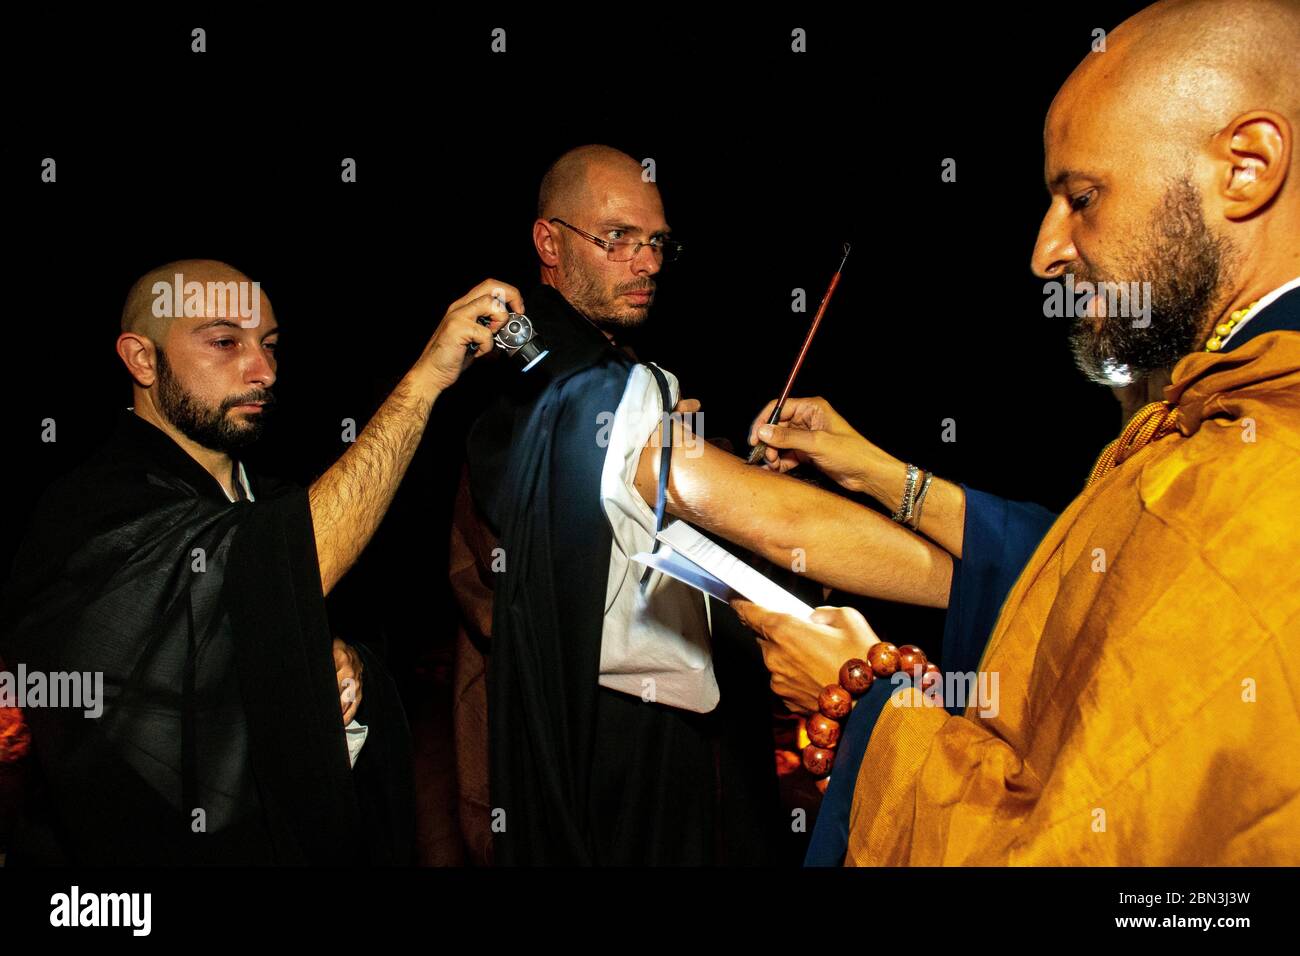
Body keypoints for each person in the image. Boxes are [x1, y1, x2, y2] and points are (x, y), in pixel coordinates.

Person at [728, 0, 1300, 864]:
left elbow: (1084, 853)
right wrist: (874, 471)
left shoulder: (1257, 471)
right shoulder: (1209, 413)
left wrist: (866, 711)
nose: (1045, 253)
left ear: (1246, 167)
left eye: (1082, 198)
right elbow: (1076, 584)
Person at [0, 259, 520, 864]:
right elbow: (267, 576)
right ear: (143, 360)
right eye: (225, 341)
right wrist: (426, 380)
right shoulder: (91, 511)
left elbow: (290, 587)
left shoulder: (275, 501)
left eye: (269, 345)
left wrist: (347, 661)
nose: (263, 370)